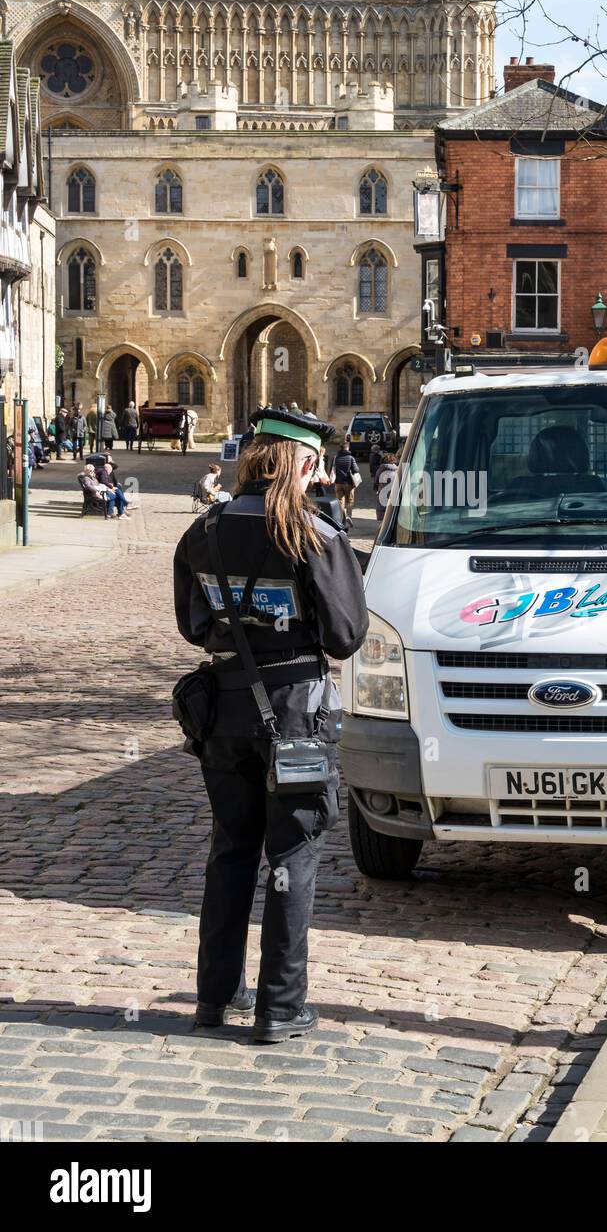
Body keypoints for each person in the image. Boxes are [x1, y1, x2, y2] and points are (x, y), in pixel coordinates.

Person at [173, 407, 368, 1043]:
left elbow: (192, 624)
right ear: (305, 463)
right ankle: (281, 1006)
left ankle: (215, 999)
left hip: (224, 708)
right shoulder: (315, 533)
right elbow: (345, 637)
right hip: (294, 711)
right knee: (292, 855)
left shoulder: (204, 528)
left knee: (230, 850)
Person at [331, 441, 361, 529]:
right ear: (347, 448)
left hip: (338, 483)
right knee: (350, 501)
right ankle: (349, 516)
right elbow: (356, 470)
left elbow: (332, 469)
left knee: (340, 500)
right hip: (349, 483)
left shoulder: (335, 457)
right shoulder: (351, 458)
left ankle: (341, 517)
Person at [374, 452, 399, 522]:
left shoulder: (380, 470)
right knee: (393, 510)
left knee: (382, 509)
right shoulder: (398, 470)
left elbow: (376, 481)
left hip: (382, 493)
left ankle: (382, 524)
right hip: (394, 493)